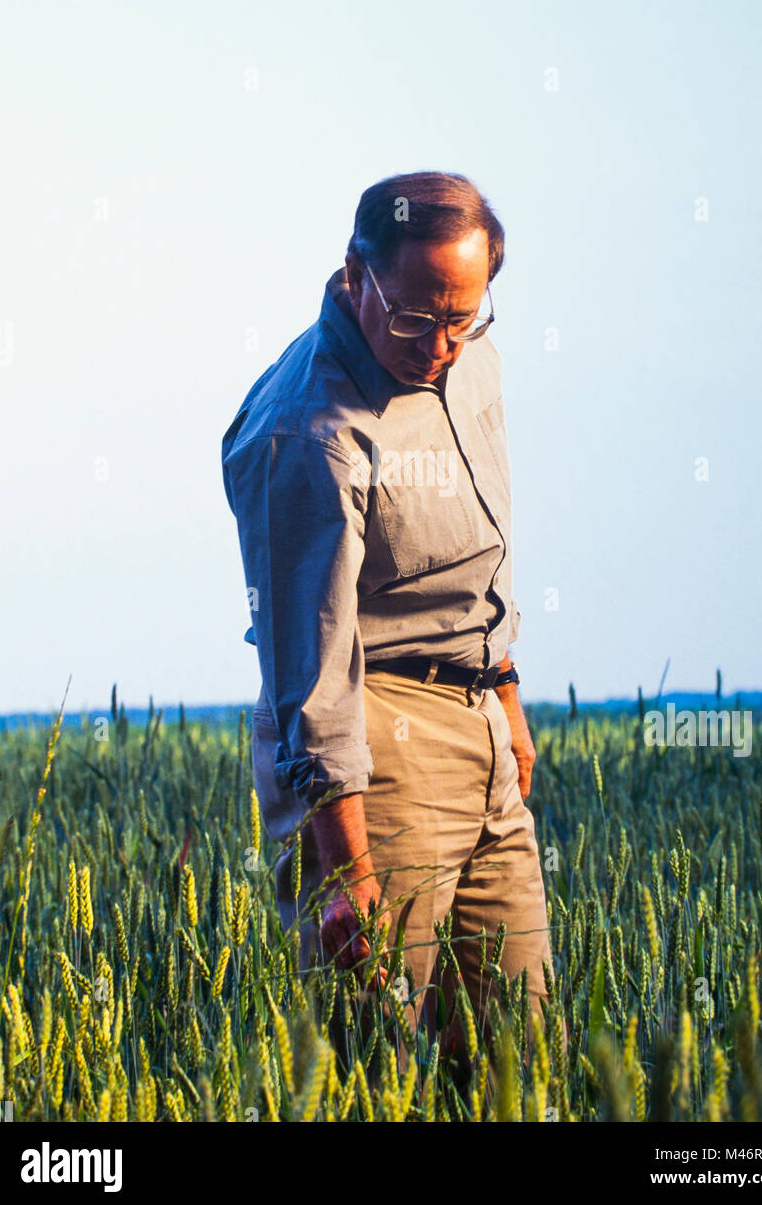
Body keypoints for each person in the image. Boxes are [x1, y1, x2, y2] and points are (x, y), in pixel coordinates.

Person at [221, 170, 557, 1054]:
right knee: (377, 1057)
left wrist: (506, 693)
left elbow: (487, 540)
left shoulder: (471, 355)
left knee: (516, 1056)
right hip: (374, 743)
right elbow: (312, 670)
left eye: (462, 317)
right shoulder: (306, 432)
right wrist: (350, 871)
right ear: (353, 275)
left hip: (481, 720)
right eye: (415, 318)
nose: (439, 345)